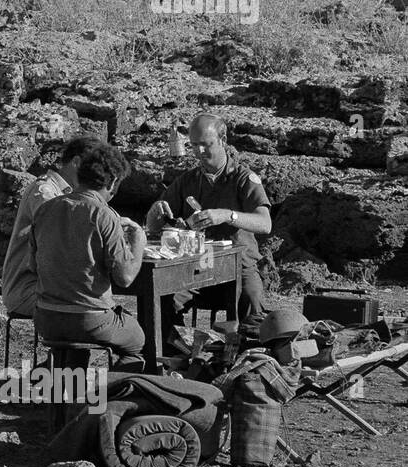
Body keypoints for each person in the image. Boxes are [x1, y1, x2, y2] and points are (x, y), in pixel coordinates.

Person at [144, 112, 272, 339]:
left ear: (223, 140)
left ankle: (247, 360)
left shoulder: (243, 179)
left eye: (205, 144)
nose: (199, 152)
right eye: (194, 145)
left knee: (253, 305)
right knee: (161, 298)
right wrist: (155, 214)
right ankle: (176, 353)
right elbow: (155, 226)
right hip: (197, 265)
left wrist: (227, 215)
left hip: (239, 265)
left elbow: (265, 224)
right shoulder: (187, 181)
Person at [30, 141, 148, 372]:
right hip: (89, 320)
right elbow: (125, 278)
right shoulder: (104, 215)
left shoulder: (45, 209)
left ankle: (69, 396)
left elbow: (33, 267)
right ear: (113, 182)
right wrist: (138, 243)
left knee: (74, 340)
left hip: (46, 317)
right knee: (137, 340)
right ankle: (115, 396)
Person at [1, 134, 106, 317]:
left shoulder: (73, 195)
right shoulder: (44, 192)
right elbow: (60, 239)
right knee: (97, 311)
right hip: (28, 290)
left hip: (51, 287)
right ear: (76, 162)